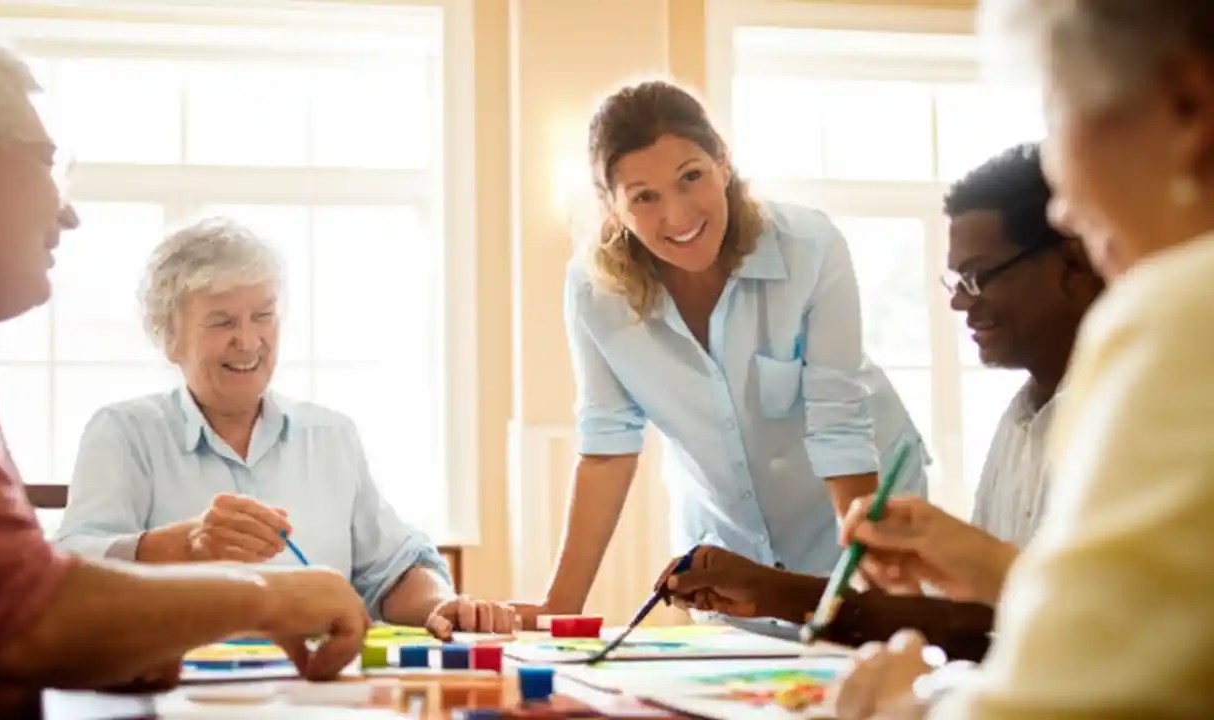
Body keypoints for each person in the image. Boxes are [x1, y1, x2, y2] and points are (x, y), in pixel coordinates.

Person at [0, 37, 368, 719]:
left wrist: (131, 644)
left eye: (263, 315)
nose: (68, 212)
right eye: (49, 163)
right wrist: (266, 595)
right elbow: (22, 611)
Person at [834, 0, 1214, 717]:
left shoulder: (1182, 316)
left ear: (1187, 106)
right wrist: (993, 567)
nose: (1065, 210)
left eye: (1058, 111)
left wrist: (903, 704)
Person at [654, 144, 1103, 661]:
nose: (958, 301)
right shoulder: (1019, 422)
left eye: (978, 276)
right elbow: (981, 625)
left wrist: (780, 593)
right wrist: (772, 594)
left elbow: (1089, 627)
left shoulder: (1130, 417)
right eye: (955, 282)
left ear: (1072, 262)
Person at [516, 80, 930, 625]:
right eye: (644, 196)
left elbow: (840, 427)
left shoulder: (809, 246)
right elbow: (607, 445)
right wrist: (558, 612)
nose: (677, 215)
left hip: (853, 518)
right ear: (610, 205)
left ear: (723, 164)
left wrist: (864, 589)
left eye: (691, 177)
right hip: (727, 551)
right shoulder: (595, 292)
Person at [55, 218, 515, 637]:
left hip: (321, 690)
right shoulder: (124, 433)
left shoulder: (331, 436)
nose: (249, 341)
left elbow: (395, 566)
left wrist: (441, 604)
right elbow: (68, 569)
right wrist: (181, 546)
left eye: (263, 315)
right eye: (222, 321)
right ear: (168, 336)